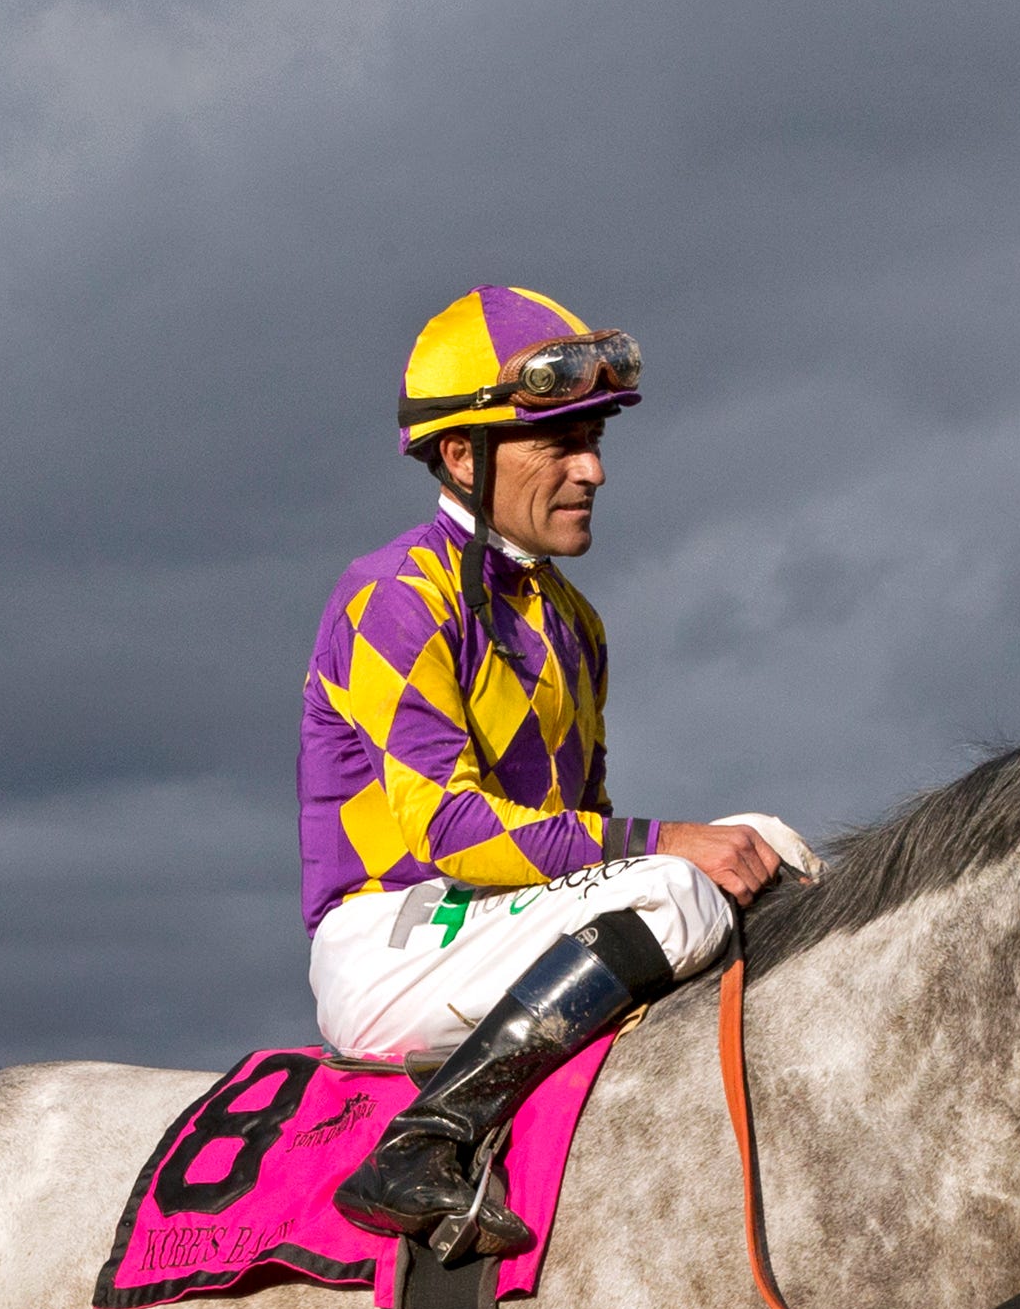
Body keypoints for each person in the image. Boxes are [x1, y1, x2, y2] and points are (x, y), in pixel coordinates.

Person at [298, 284, 809, 1254]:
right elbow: (450, 832)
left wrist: (696, 850)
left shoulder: (574, 622)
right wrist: (668, 846)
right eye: (560, 444)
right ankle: (422, 1143)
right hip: (392, 934)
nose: (593, 470)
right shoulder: (393, 595)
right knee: (673, 886)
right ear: (463, 455)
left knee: (766, 842)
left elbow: (586, 833)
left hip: (501, 925)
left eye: (596, 441)